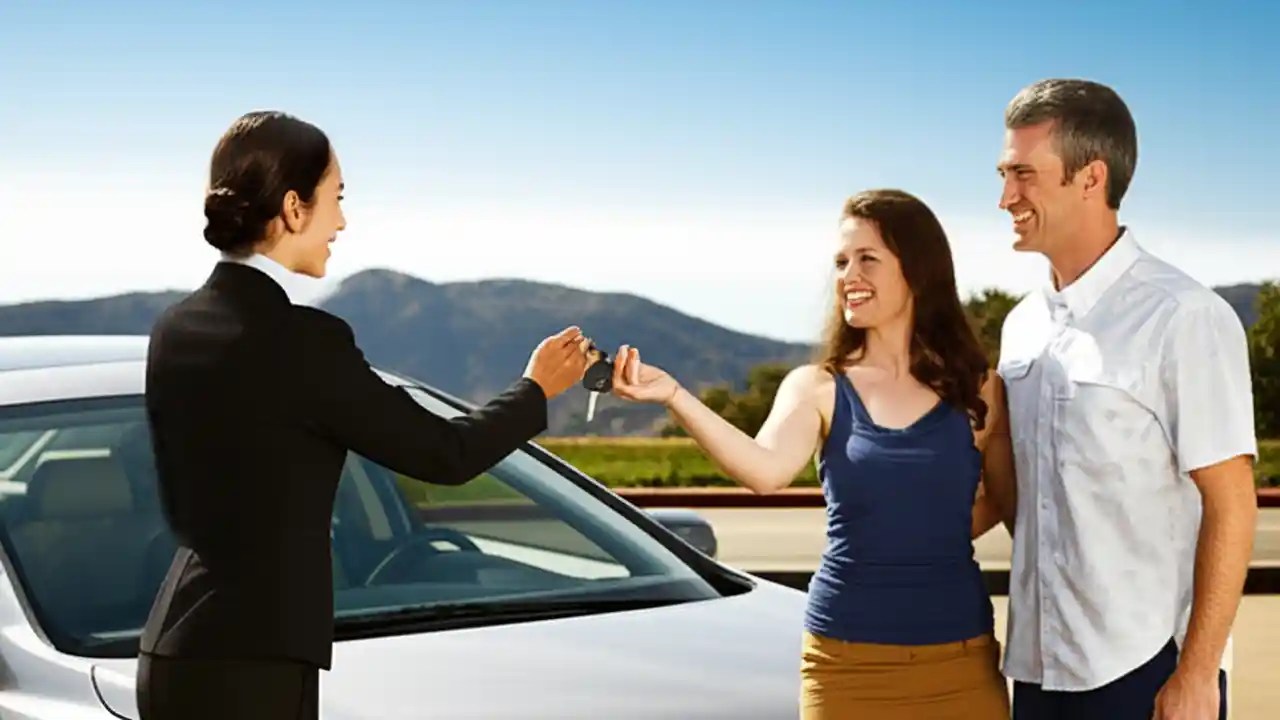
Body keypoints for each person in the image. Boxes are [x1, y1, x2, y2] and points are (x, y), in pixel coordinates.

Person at [136, 110, 591, 719]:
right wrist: (536, 389)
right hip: (255, 667)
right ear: (294, 208)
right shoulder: (302, 341)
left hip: (173, 650)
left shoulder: (176, 327)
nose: (342, 222)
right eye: (337, 199)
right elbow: (445, 454)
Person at [609, 188, 1018, 719]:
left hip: (959, 662)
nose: (849, 276)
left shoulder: (979, 389)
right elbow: (765, 471)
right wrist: (675, 397)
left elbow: (1009, 505)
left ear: (917, 269)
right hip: (847, 663)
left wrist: (923, 532)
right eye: (842, 262)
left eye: (868, 258)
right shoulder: (817, 387)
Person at [993, 78, 1259, 720]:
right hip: (1035, 667)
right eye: (1004, 173)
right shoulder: (1020, 325)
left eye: (1025, 175)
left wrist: (1197, 674)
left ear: (1091, 178)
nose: (1005, 197)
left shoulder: (1184, 316)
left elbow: (1232, 502)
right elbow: (1026, 497)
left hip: (1145, 671)